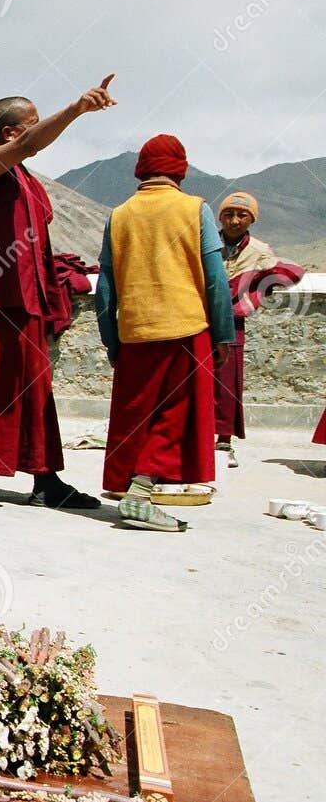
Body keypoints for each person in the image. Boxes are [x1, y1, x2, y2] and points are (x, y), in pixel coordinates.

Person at [0, 82, 115, 510]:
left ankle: (45, 480)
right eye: (31, 124)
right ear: (11, 132)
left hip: (25, 300)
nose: (39, 132)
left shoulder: (26, 180)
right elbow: (32, 142)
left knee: (35, 392)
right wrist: (75, 109)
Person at [96, 135, 235, 531]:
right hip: (186, 330)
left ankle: (131, 487)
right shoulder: (195, 209)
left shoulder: (119, 214)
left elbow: (106, 285)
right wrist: (223, 333)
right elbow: (215, 279)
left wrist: (112, 338)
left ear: (141, 169)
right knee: (176, 415)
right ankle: (141, 494)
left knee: (135, 415)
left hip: (136, 332)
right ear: (180, 170)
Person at [213, 191, 274, 466]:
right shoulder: (207, 242)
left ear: (252, 219)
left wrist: (244, 297)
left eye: (242, 215)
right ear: (220, 216)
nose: (234, 220)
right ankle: (196, 440)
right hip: (201, 317)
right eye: (228, 214)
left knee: (227, 382)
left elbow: (270, 278)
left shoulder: (260, 251)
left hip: (234, 322)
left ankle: (224, 441)